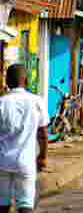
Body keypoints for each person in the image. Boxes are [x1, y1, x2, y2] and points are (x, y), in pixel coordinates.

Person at [0, 64, 49, 213]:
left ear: (7, 81)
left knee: (2, 203)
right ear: (26, 80)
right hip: (26, 162)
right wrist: (42, 156)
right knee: (26, 204)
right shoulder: (36, 101)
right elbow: (43, 134)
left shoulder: (2, 102)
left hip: (2, 161)